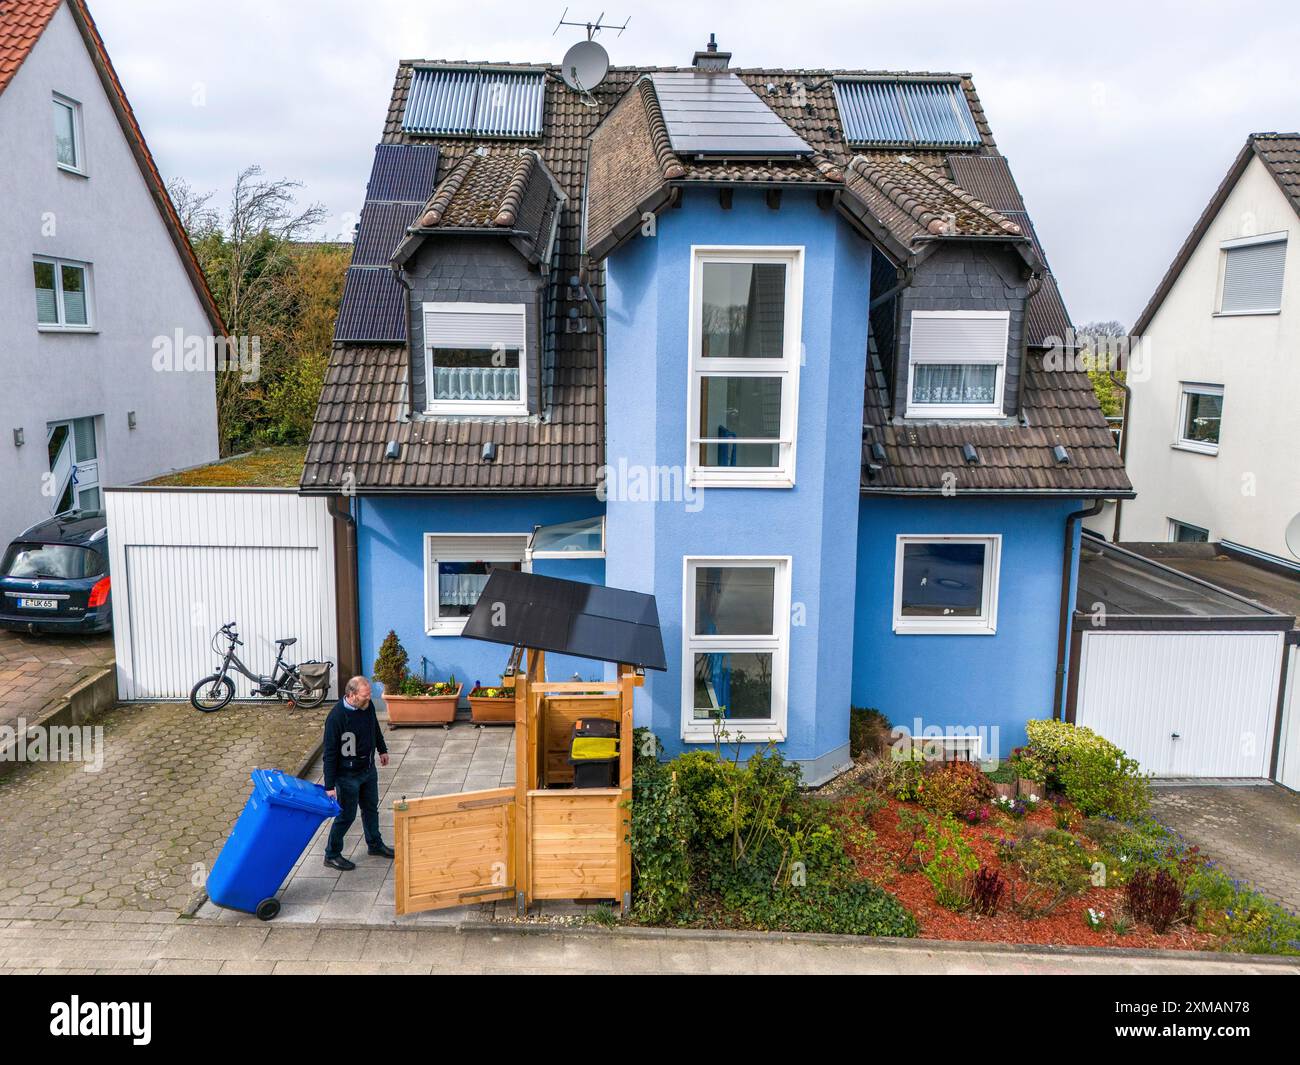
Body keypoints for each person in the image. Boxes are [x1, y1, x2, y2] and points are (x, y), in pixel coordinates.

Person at [322, 676, 393, 871]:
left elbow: (374, 728)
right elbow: (329, 754)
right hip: (346, 776)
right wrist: (329, 786)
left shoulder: (366, 707)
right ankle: (332, 854)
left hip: (368, 770)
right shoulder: (336, 718)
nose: (369, 698)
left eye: (369, 694)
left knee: (371, 809)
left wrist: (382, 749)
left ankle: (375, 844)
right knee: (346, 816)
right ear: (351, 695)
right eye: (365, 695)